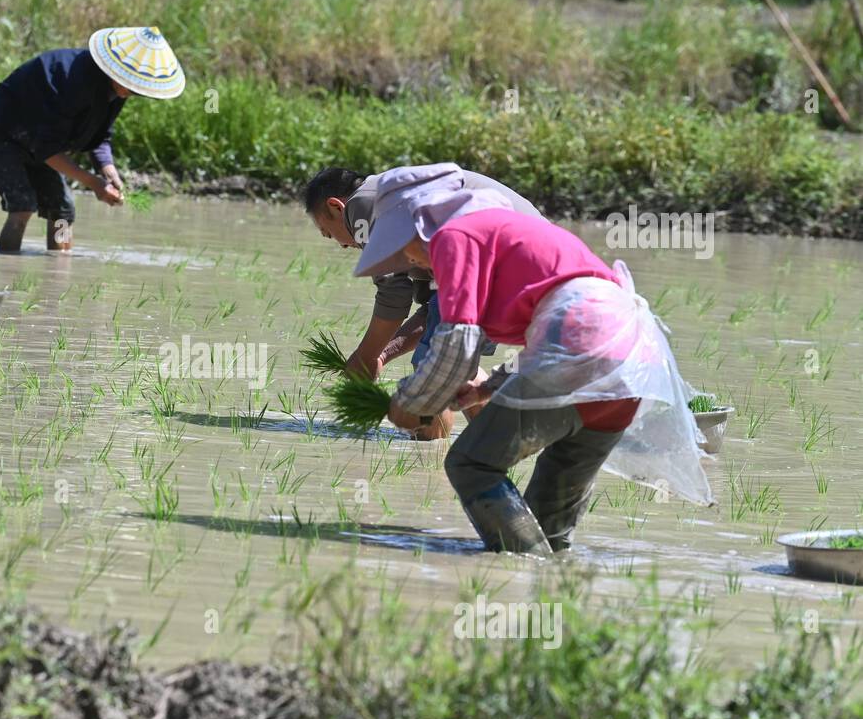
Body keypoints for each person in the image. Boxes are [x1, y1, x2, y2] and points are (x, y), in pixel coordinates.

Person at [353, 164, 711, 555]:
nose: (411, 261)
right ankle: (551, 587)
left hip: (583, 356)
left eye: (403, 248)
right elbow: (552, 340)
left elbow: (457, 339)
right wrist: (487, 387)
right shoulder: (499, 230)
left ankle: (519, 572)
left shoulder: (453, 236)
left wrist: (410, 404)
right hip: (628, 370)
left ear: (418, 226)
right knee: (546, 529)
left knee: (472, 464)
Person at [304, 165, 543, 437]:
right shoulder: (402, 212)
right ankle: (495, 447)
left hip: (499, 257)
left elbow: (393, 293)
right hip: (521, 257)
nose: (341, 245)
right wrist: (381, 355)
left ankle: (446, 453)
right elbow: (435, 310)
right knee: (449, 366)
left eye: (328, 232)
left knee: (433, 370)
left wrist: (365, 358)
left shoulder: (362, 206)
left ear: (336, 207)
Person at [0, 27, 184, 254]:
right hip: (5, 130)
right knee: (22, 207)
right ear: (114, 70)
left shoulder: (116, 90)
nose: (129, 93)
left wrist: (108, 170)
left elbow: (100, 136)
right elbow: (47, 150)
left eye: (136, 90)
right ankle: (7, 275)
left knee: (63, 212)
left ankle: (58, 276)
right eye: (129, 86)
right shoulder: (73, 80)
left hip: (41, 137)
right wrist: (94, 183)